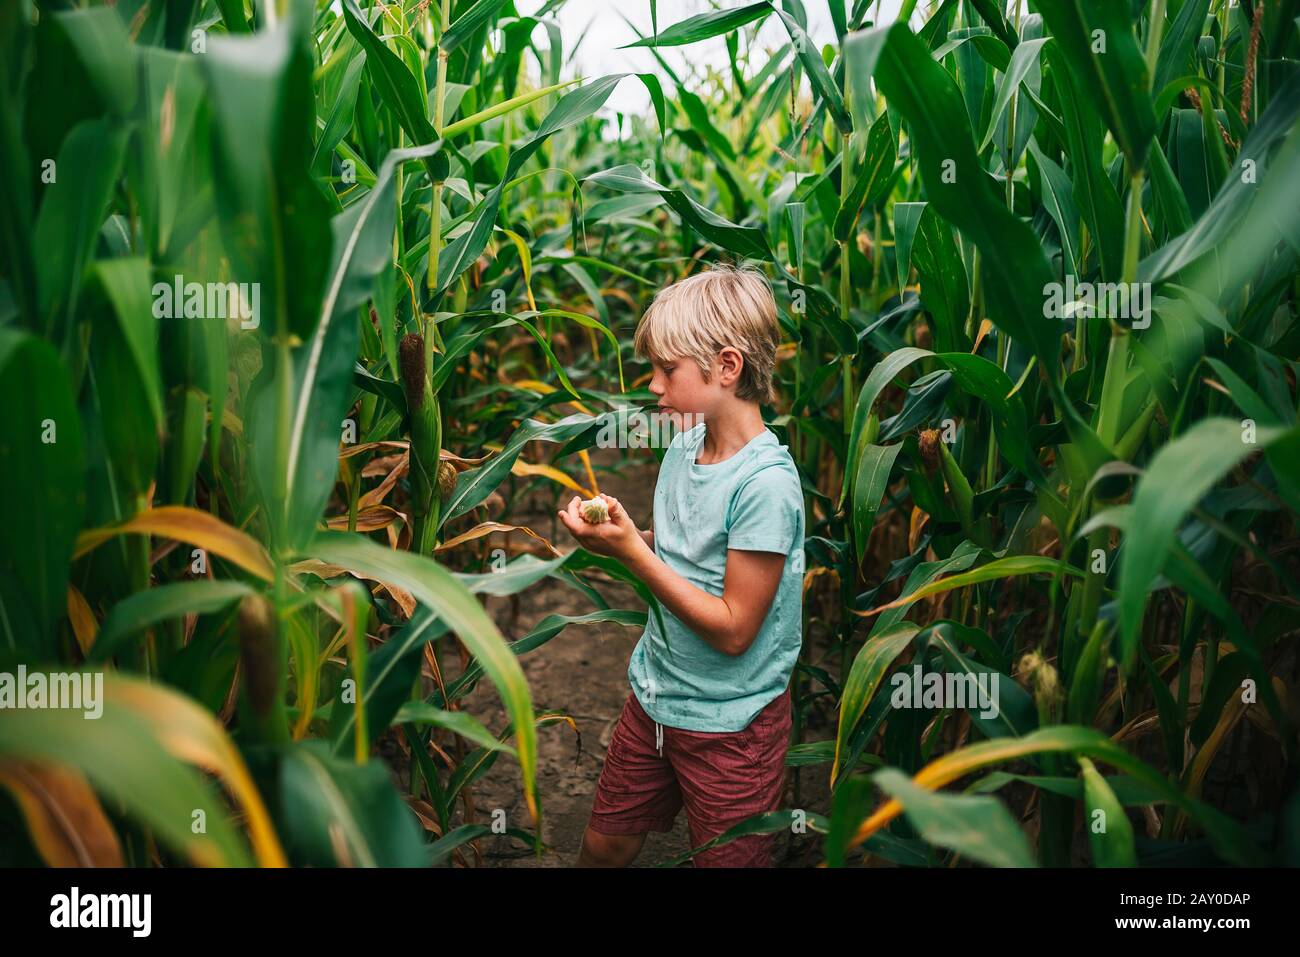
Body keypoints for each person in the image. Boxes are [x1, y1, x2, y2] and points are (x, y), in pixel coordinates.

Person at [558, 262, 805, 867]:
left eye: (667, 370)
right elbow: (685, 559)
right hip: (655, 700)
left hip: (732, 726)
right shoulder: (685, 446)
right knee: (606, 844)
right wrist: (626, 535)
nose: (653, 386)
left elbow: (733, 627)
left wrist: (633, 555)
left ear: (727, 366)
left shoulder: (765, 486)